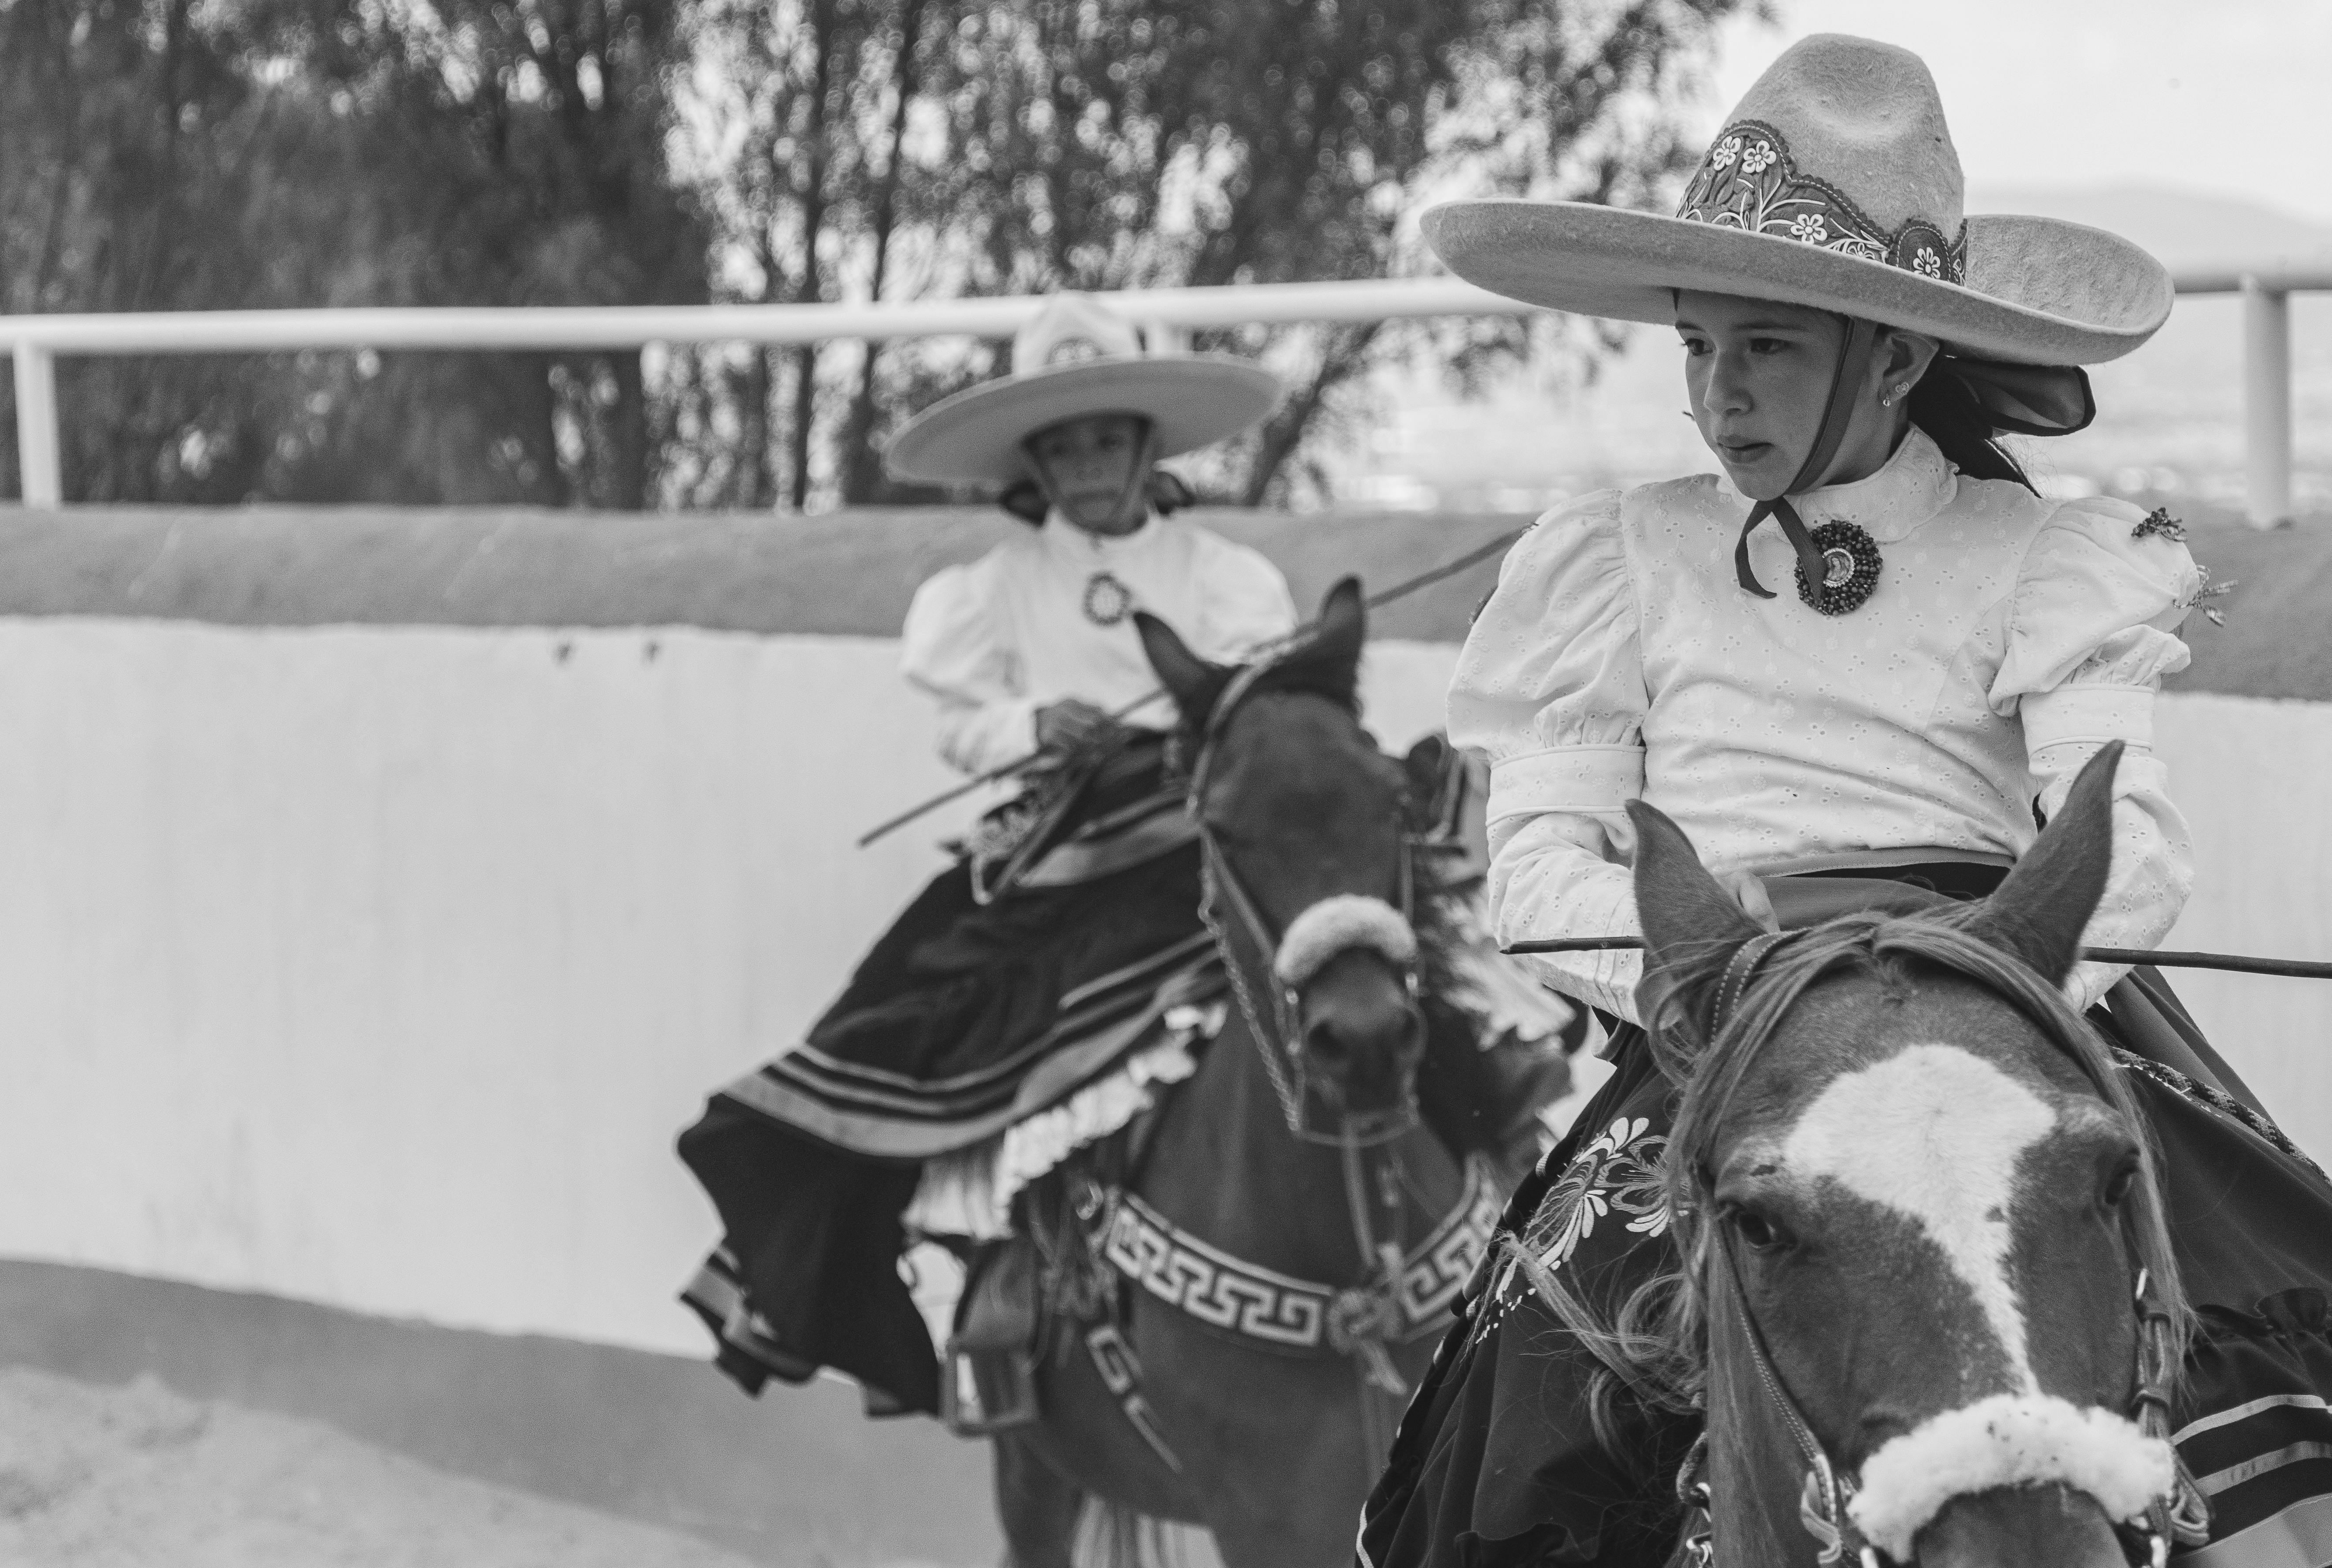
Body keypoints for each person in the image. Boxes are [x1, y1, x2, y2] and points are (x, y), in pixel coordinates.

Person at [1356, 34, 2332, 1566]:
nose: (1717, 394)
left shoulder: (2049, 555)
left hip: (2001, 994)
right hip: (1715, 1027)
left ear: (1889, 355)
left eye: (1766, 349)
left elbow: (2124, 851)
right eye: (1697, 346)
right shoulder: (1605, 560)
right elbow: (1534, 877)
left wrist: (1966, 997)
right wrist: (1733, 995)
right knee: (1523, 1427)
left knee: (2263, 1370)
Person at [675, 294, 1303, 1418]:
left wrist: (1187, 727)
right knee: (883, 1022)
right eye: (1059, 448)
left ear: (1142, 444)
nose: (1085, 466)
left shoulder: (1221, 578)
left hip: (1186, 854)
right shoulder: (995, 587)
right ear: (1034, 464)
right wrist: (1032, 729)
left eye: (1104, 439)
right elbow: (963, 725)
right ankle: (863, 1292)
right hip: (1049, 856)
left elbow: (1265, 710)